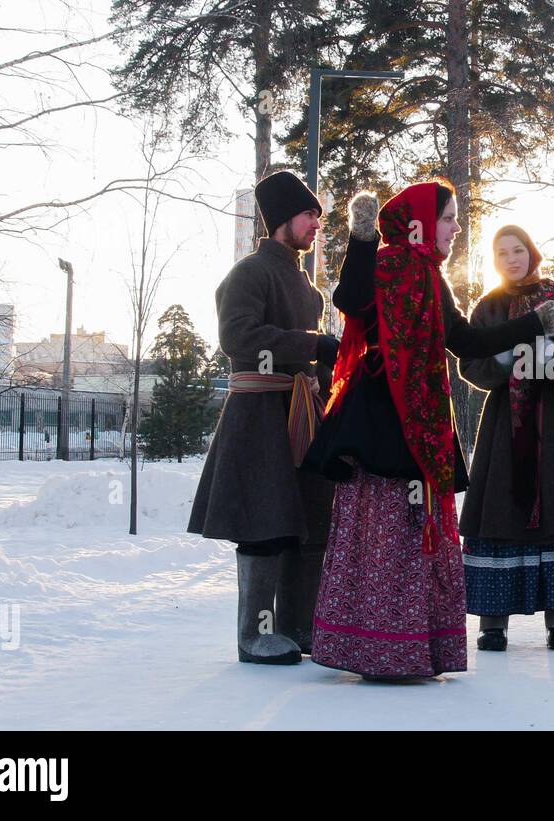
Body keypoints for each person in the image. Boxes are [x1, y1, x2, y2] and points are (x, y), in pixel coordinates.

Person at [300, 181, 554, 679]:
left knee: (411, 529)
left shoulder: (433, 278)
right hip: (378, 421)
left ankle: (413, 647)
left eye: (456, 218)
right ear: (420, 221)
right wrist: (360, 237)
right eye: (448, 218)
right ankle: (371, 647)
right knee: (379, 527)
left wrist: (532, 325)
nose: (456, 227)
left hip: (424, 418)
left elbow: (463, 340)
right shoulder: (388, 263)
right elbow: (351, 300)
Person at [188, 170, 339, 664]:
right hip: (260, 415)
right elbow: (238, 338)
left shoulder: (303, 282)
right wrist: (311, 344)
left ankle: (299, 626)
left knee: (309, 520)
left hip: (302, 412)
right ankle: (256, 635)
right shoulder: (249, 274)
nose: (317, 223)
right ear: (282, 219)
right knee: (265, 523)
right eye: (309, 214)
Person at [457, 224, 554, 652]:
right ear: (494, 260)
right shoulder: (488, 307)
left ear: (531, 251)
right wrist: (506, 362)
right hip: (506, 423)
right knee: (499, 514)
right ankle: (493, 623)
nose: (511, 259)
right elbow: (471, 364)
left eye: (517, 250)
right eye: (502, 253)